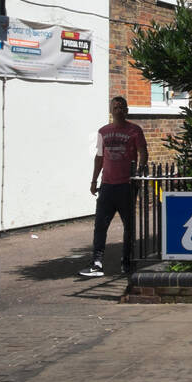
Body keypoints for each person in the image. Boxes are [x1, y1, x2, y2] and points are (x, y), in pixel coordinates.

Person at [81, 96, 148, 277]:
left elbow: (143, 152)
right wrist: (94, 181)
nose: (119, 110)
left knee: (129, 227)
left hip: (126, 185)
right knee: (100, 225)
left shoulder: (135, 130)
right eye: (115, 107)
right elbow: (99, 157)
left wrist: (139, 172)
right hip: (107, 185)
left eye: (122, 107)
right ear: (111, 110)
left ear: (126, 110)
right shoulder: (103, 131)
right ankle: (97, 263)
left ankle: (126, 263)